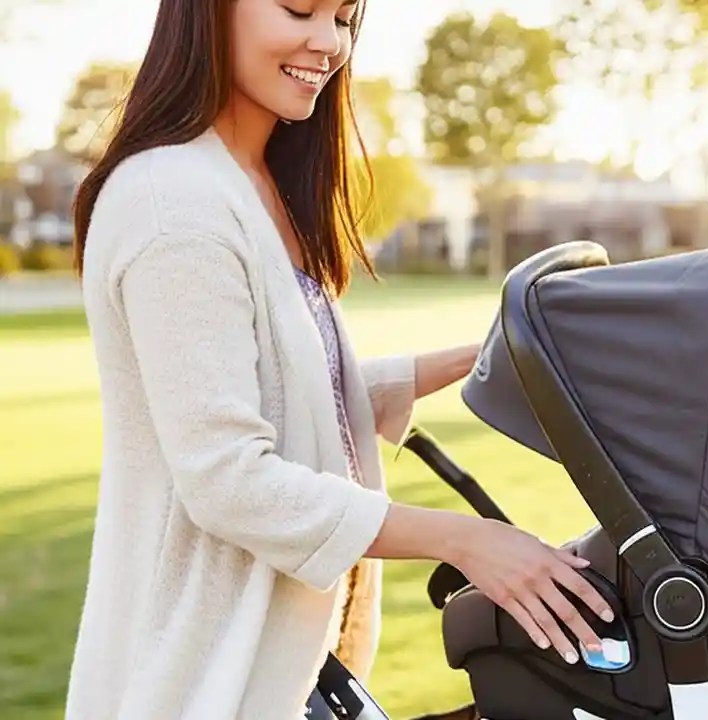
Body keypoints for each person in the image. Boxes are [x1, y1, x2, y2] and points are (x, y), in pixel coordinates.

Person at [64, 1, 612, 717]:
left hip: (286, 678)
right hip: (200, 682)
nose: (328, 43)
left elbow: (282, 387)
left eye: (346, 18)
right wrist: (471, 541)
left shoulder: (253, 182)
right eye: (298, 8)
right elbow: (229, 478)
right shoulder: (172, 202)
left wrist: (469, 360)